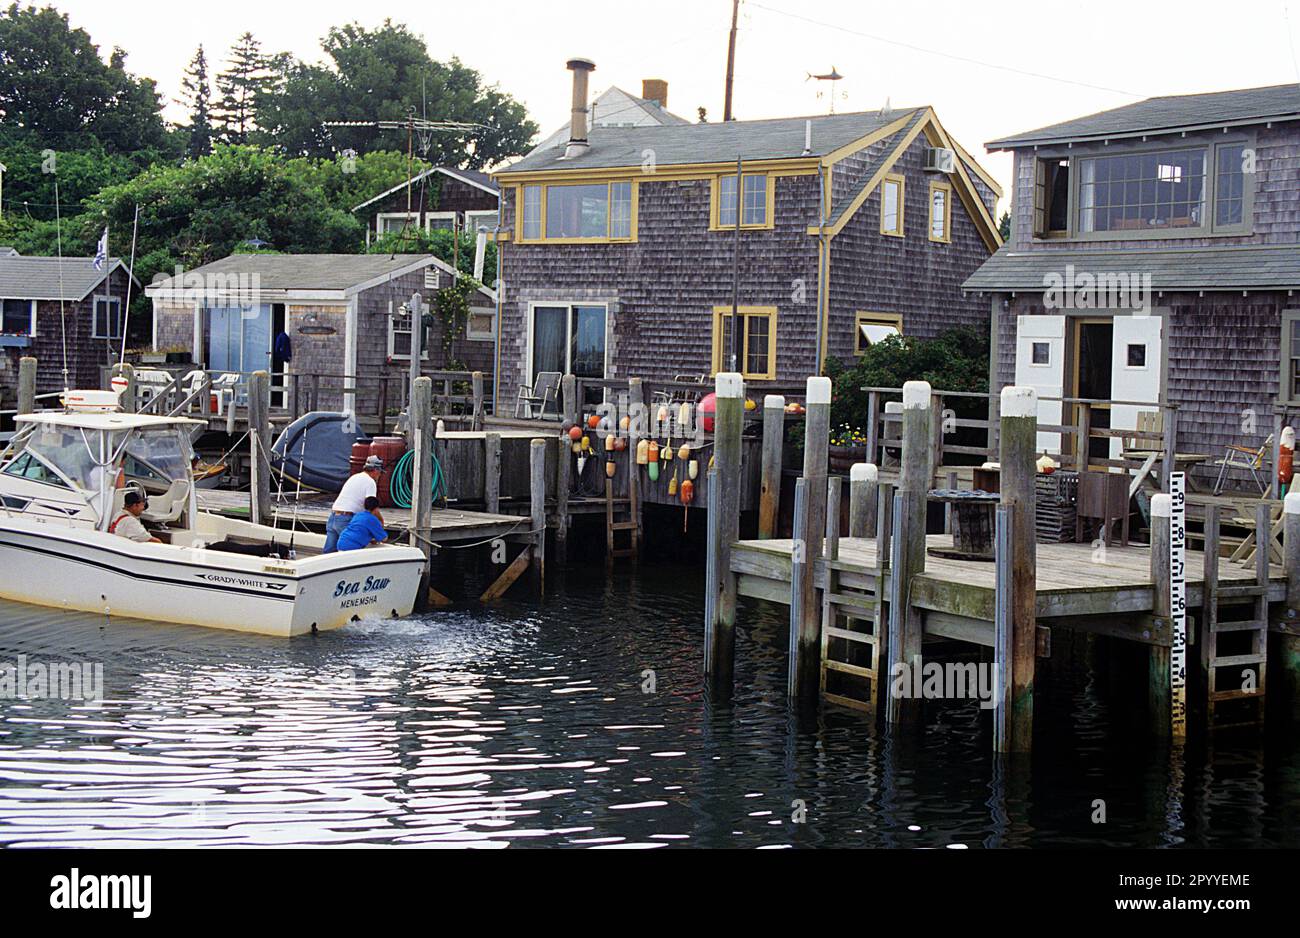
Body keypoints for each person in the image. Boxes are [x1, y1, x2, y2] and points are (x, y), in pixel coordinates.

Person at [324, 455, 383, 553]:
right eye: (380, 472)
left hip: (333, 516)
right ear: (376, 470)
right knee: (351, 550)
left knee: (329, 552)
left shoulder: (354, 477)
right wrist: (381, 522)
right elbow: (371, 506)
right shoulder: (370, 482)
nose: (380, 475)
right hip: (346, 518)